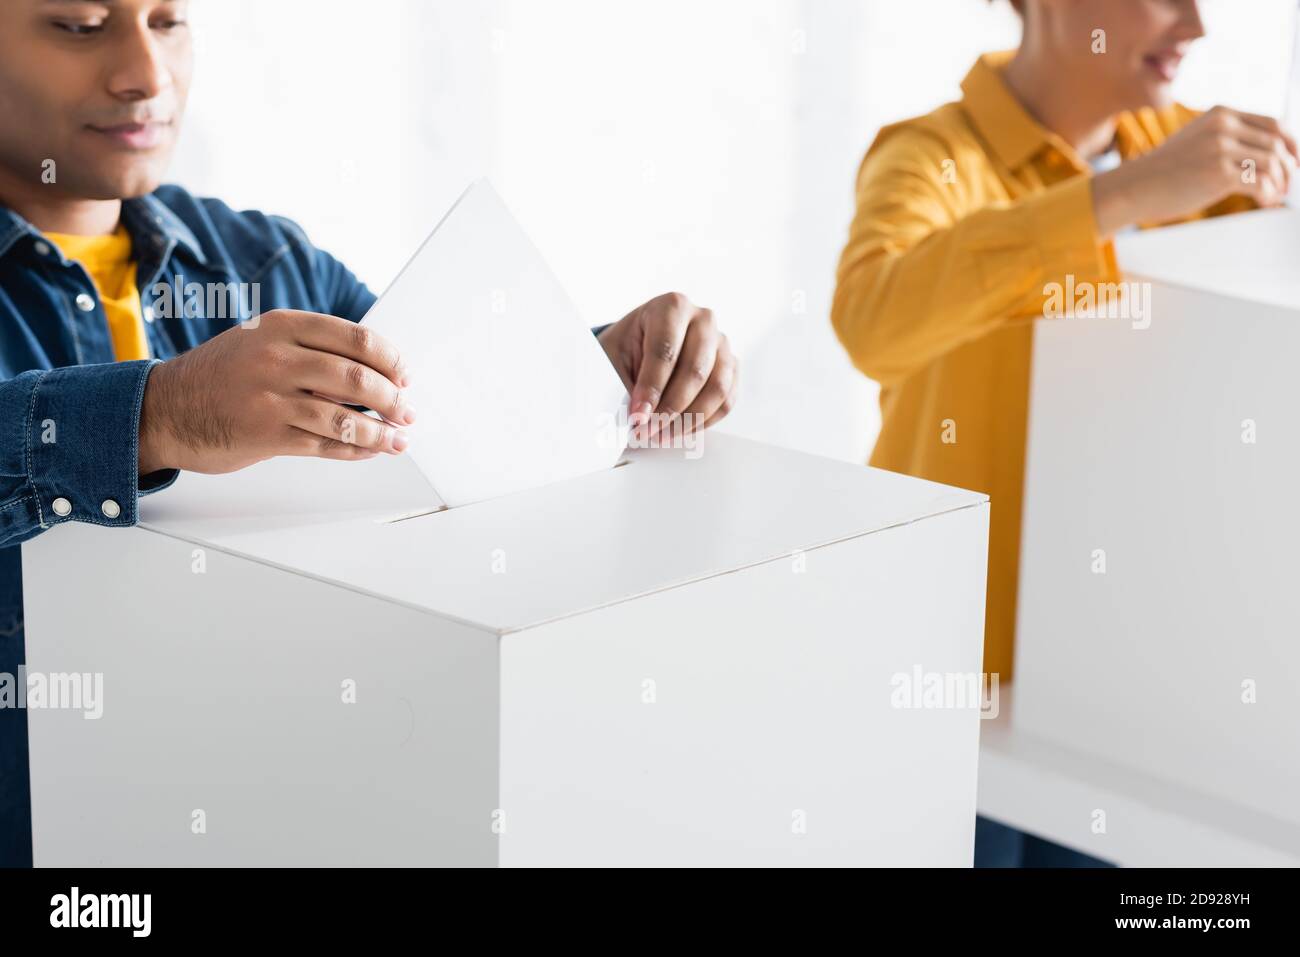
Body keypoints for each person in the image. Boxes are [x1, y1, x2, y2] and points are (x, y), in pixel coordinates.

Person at [0, 0, 739, 867]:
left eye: (168, 21)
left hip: (267, 805)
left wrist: (608, 370)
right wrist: (160, 413)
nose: (146, 76)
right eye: (81, 26)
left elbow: (429, 411)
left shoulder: (265, 263)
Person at [830, 0, 1296, 866]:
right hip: (951, 683)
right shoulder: (931, 157)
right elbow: (872, 320)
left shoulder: (1216, 159)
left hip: (1132, 693)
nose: (1195, 25)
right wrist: (1116, 198)